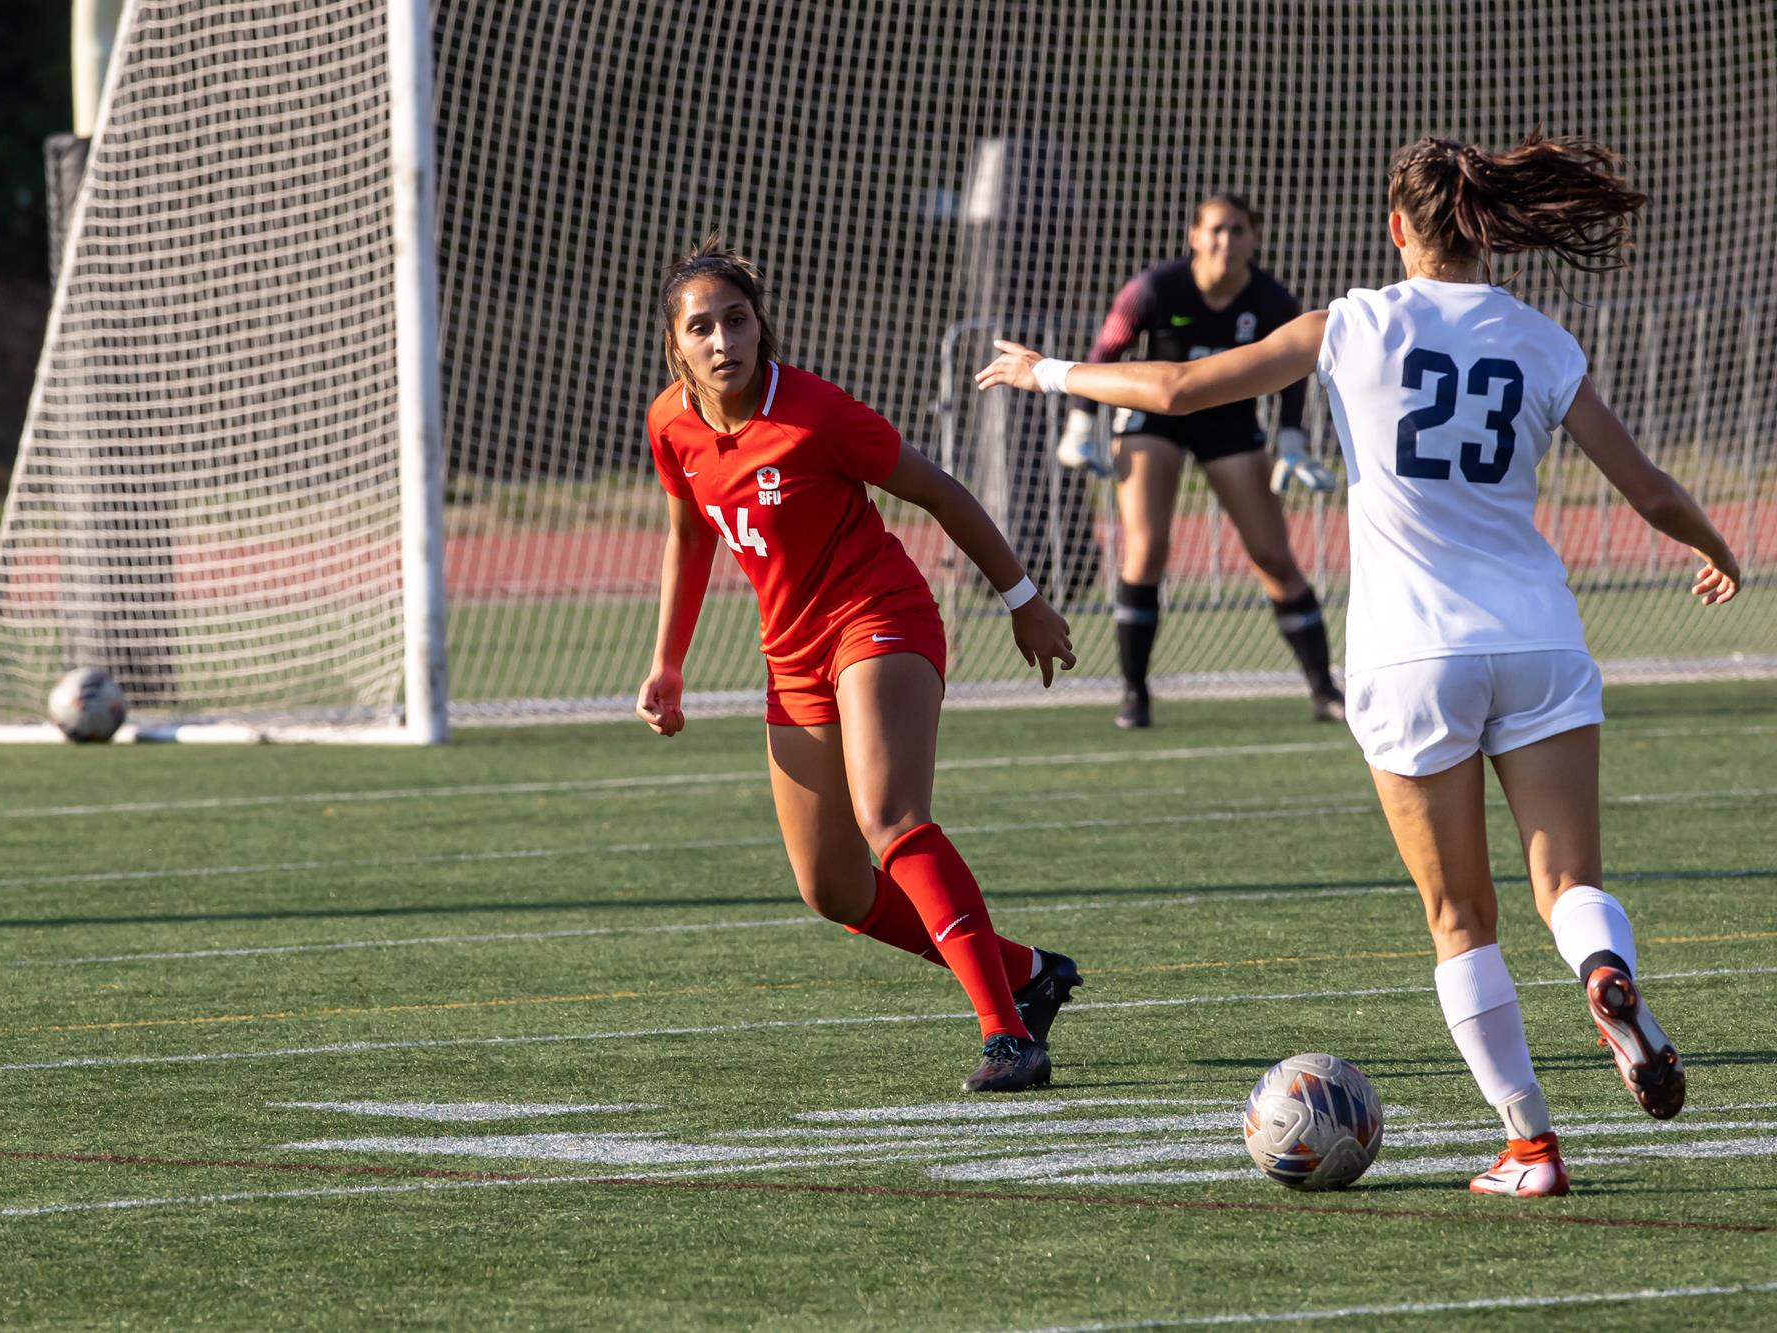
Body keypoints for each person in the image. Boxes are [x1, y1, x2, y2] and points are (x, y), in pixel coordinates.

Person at [977, 133, 1741, 1192]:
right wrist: (1712, 547)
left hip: (1407, 654)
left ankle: (1530, 1146)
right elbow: (1648, 488)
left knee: (1457, 918)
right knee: (1567, 883)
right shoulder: (1536, 337)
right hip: (1538, 639)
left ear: (1395, 230)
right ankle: (1602, 970)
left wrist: (1044, 370)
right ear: (1487, 228)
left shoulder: (1352, 322)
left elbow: (1181, 386)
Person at [637, 236, 1084, 1093]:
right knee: (834, 889)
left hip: (881, 618)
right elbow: (689, 532)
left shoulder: (817, 413)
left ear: (763, 327)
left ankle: (1008, 1035)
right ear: (677, 346)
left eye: (738, 320)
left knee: (891, 817)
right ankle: (1024, 971)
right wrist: (668, 663)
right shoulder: (671, 424)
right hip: (792, 656)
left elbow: (942, 491)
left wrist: (1023, 599)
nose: (724, 340)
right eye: (704, 328)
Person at [1056, 195, 1345, 729]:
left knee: (1272, 556)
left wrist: (1291, 439)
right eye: (1215, 230)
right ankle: (1134, 694)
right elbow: (1106, 351)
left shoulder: (1272, 298)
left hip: (1229, 422)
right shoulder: (1157, 287)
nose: (1225, 241)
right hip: (1154, 419)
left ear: (1254, 240)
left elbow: (1296, 370)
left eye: (1238, 231)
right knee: (1146, 550)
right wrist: (1080, 421)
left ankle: (1325, 690)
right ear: (1193, 236)